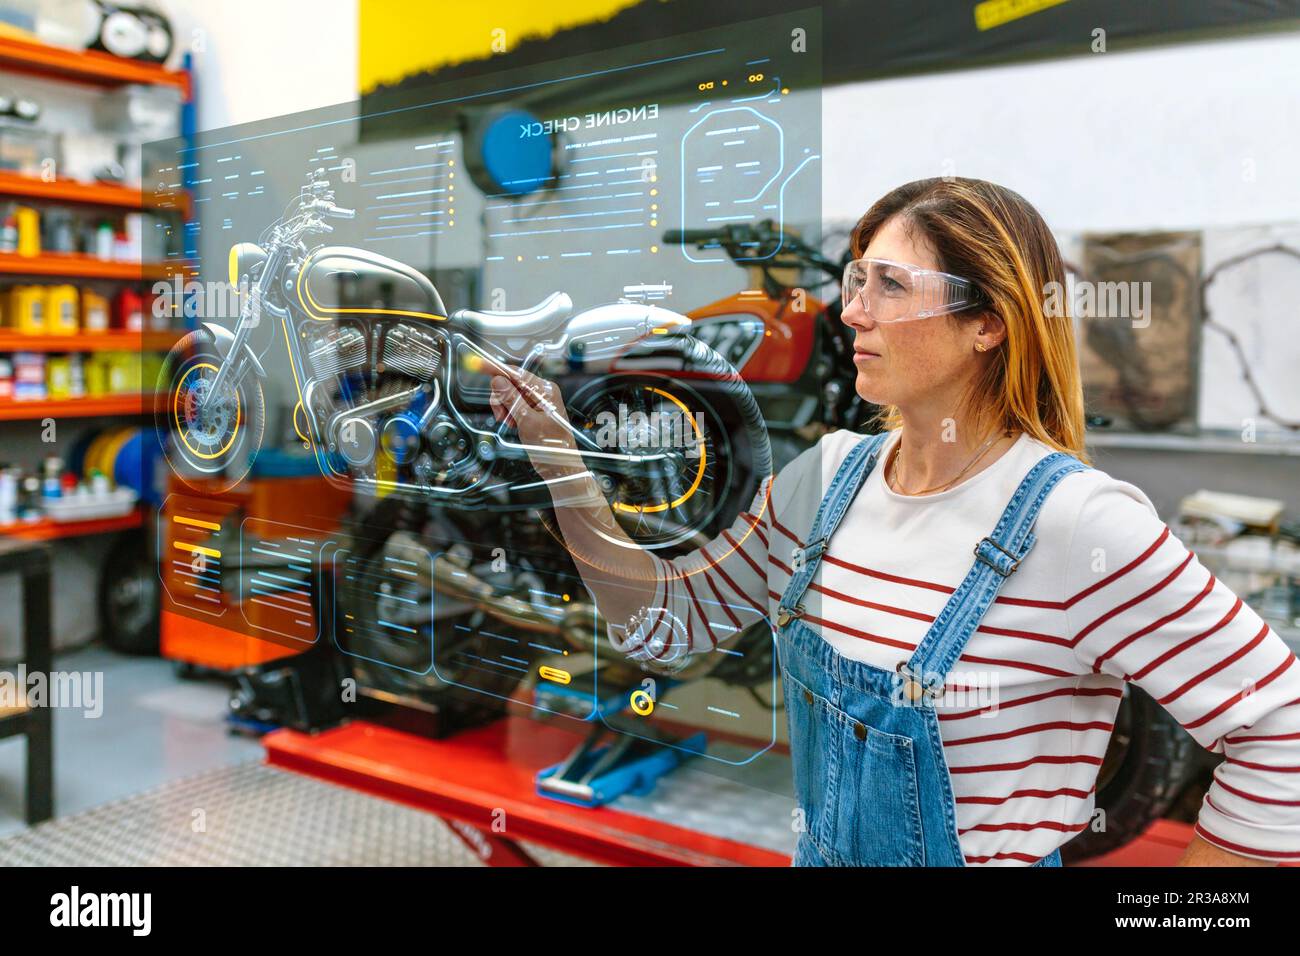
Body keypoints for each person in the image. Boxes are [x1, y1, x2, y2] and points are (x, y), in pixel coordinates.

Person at [490, 177, 1300, 867]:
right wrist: (561, 464)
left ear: (990, 322)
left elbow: (1281, 732)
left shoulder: (1076, 521)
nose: (851, 313)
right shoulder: (827, 475)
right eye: (854, 282)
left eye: (890, 285)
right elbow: (666, 624)